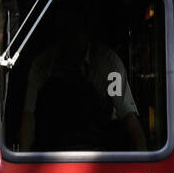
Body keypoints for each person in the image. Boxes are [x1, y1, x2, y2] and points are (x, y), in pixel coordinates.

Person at [17, 19, 148, 152]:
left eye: (76, 30)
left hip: (98, 144)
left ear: (87, 32)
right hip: (54, 144)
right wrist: (22, 159)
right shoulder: (42, 65)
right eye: (65, 31)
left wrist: (141, 157)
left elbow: (127, 115)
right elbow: (29, 116)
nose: (70, 38)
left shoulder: (108, 63)